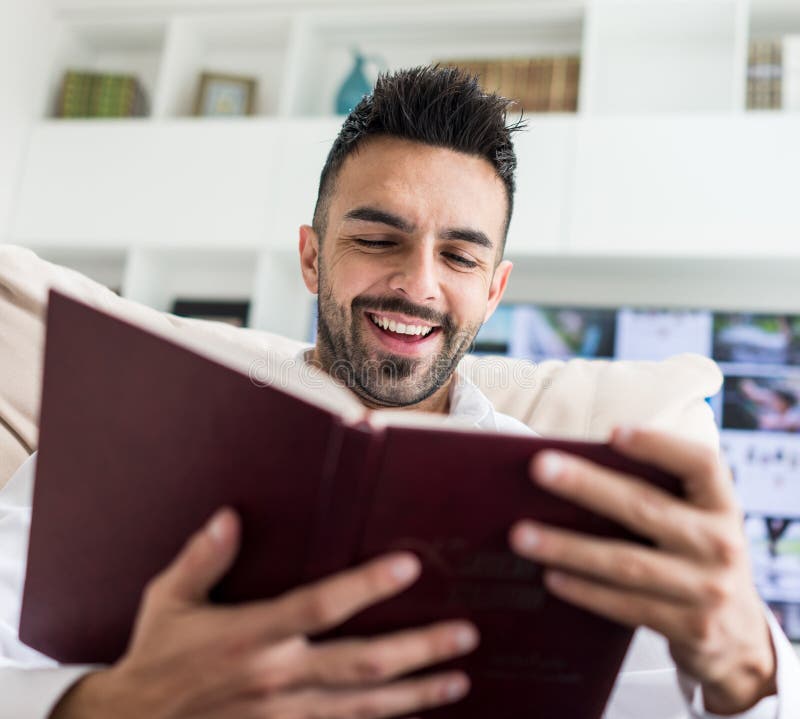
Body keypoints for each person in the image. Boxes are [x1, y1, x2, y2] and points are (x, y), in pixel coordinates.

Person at [1, 66, 798, 719]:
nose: (416, 285)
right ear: (312, 258)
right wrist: (115, 703)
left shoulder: (575, 494)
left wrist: (751, 672)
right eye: (378, 239)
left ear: (494, 290)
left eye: (458, 257)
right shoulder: (133, 435)